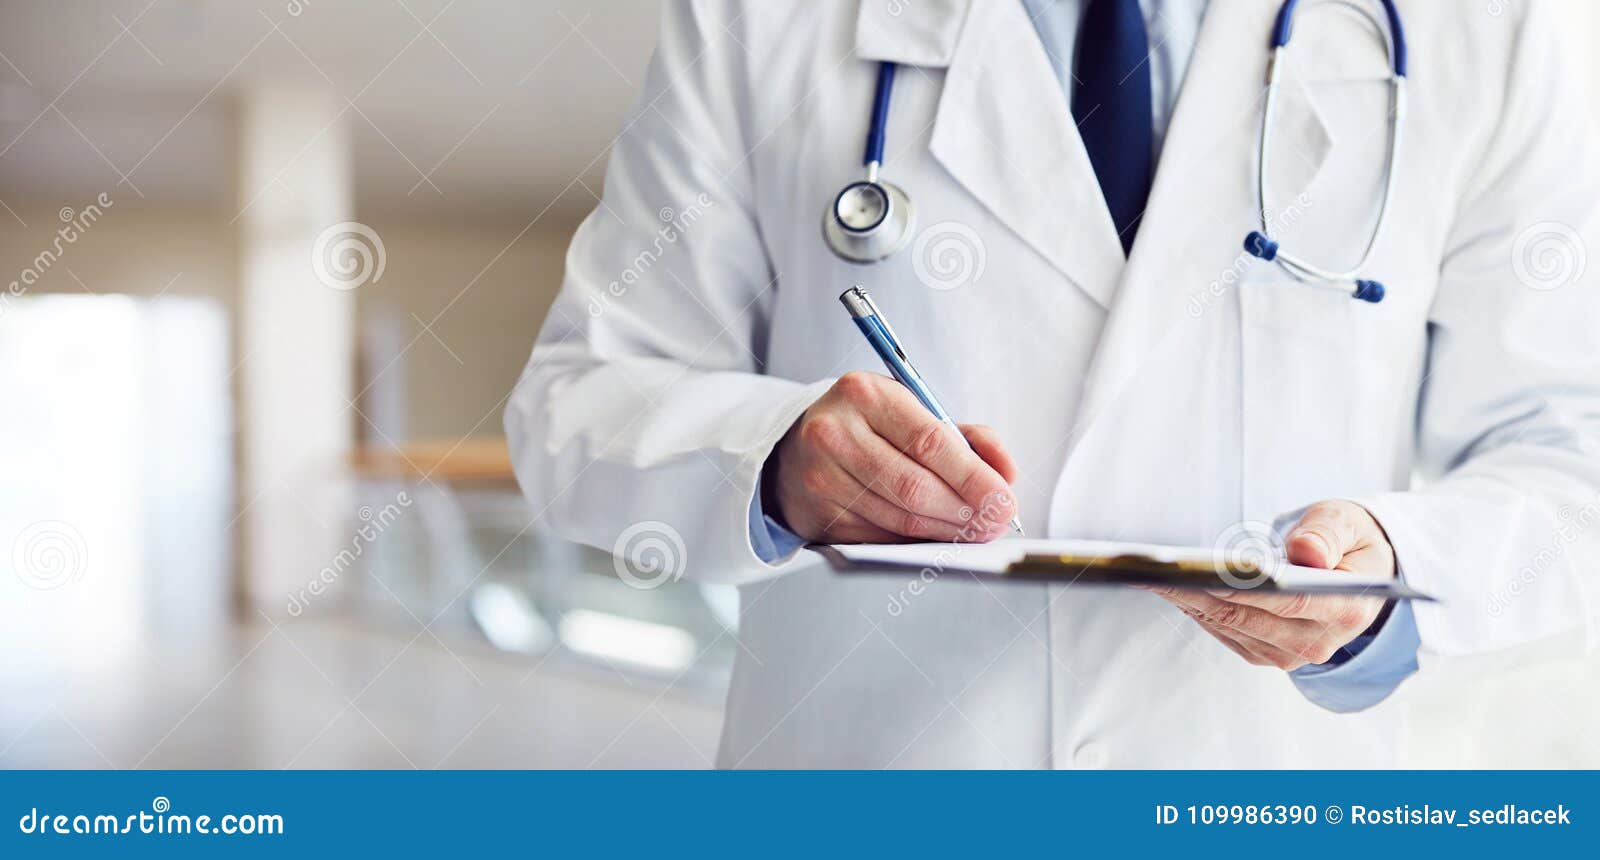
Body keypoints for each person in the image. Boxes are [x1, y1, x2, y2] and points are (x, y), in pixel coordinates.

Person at [506, 0, 1600, 767]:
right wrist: (775, 459)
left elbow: (1570, 448)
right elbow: (579, 398)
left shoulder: (1479, 28)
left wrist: (1394, 567)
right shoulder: (763, 19)